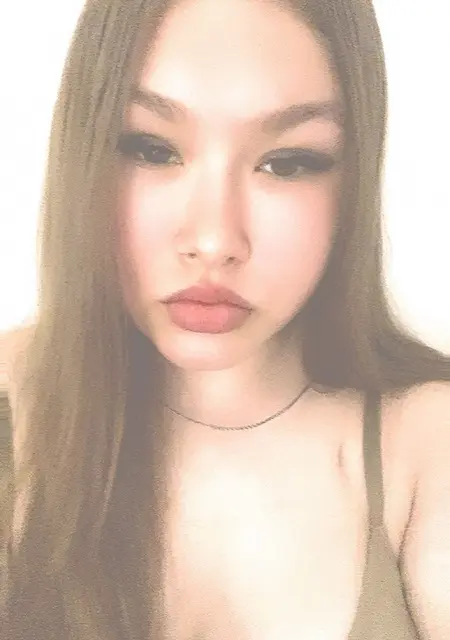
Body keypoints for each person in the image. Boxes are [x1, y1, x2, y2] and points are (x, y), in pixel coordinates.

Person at [1, 0, 450, 638]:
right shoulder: (15, 414)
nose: (214, 240)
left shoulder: (427, 447)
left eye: (288, 163)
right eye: (151, 149)